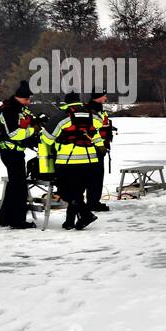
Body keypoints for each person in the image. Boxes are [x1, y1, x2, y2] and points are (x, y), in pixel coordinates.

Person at [38, 96, 106, 230]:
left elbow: (47, 139)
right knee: (77, 193)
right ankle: (70, 222)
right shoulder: (94, 116)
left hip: (67, 161)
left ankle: (86, 215)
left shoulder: (62, 117)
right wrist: (101, 147)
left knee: (66, 192)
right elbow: (95, 134)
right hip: (90, 161)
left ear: (66, 102)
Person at [0, 79, 40, 229]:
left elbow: (27, 123)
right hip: (9, 151)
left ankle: (5, 218)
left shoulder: (20, 109)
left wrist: (38, 121)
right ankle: (17, 221)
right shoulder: (9, 110)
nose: (29, 101)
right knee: (19, 187)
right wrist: (34, 130)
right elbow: (14, 134)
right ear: (19, 97)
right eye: (27, 98)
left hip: (16, 152)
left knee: (14, 185)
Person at [86, 91, 114, 212]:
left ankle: (93, 201)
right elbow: (93, 129)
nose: (106, 97)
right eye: (104, 96)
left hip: (100, 147)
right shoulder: (91, 110)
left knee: (97, 177)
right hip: (95, 148)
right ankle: (92, 203)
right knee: (95, 177)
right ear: (98, 97)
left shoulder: (99, 109)